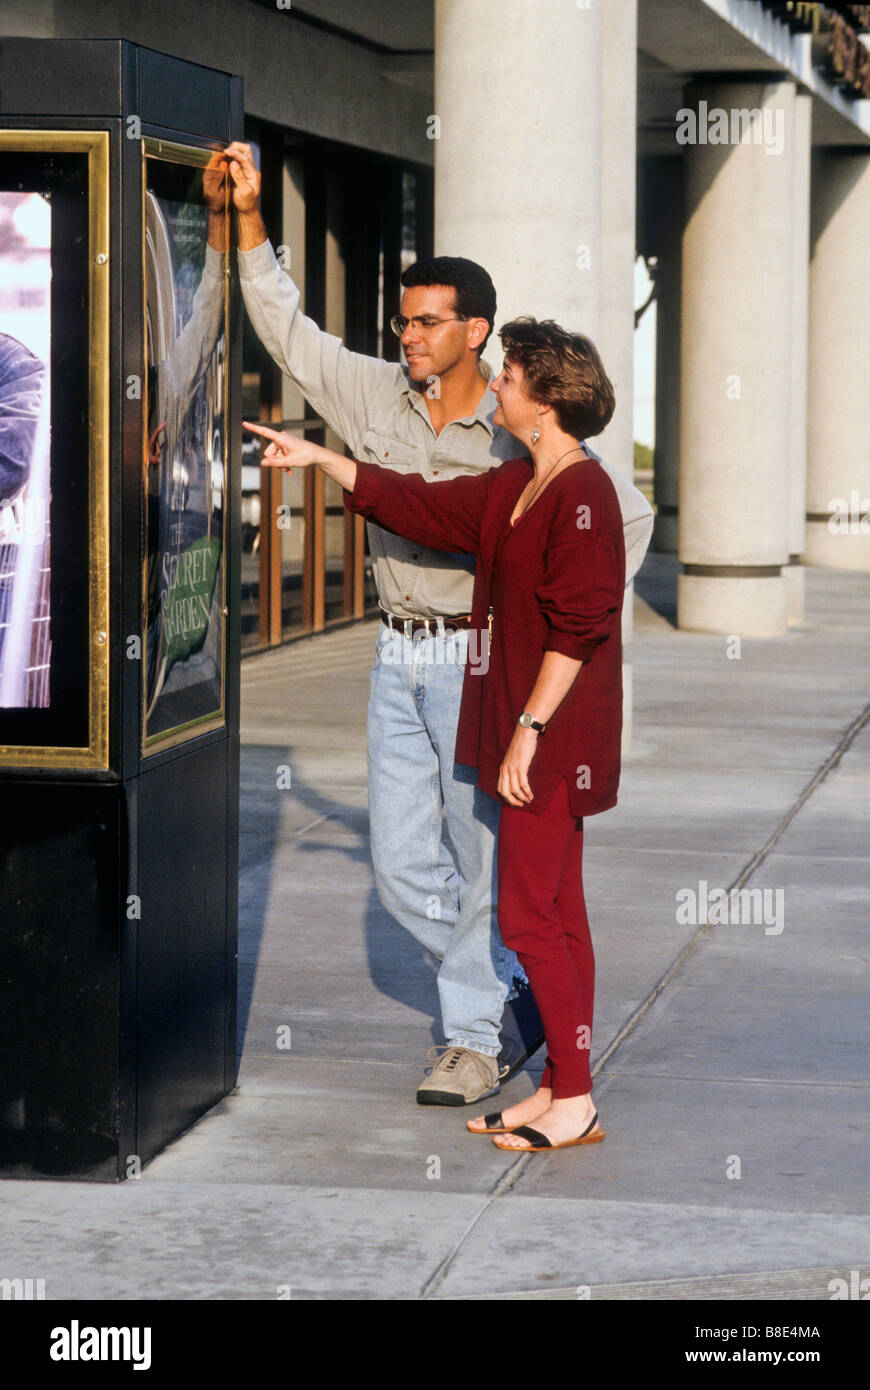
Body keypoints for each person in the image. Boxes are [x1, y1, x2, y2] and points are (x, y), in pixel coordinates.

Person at [225, 141, 654, 1107]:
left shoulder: (520, 434)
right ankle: (512, 989)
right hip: (395, 652)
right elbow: (287, 333)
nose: (408, 336)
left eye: (427, 323)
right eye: (404, 320)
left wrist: (550, 618)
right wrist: (250, 217)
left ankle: (473, 1039)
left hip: (480, 658)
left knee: (479, 855)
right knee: (401, 864)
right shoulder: (375, 393)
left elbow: (620, 518)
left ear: (477, 332)